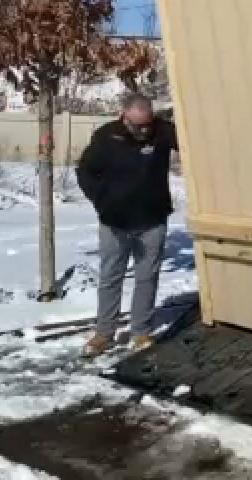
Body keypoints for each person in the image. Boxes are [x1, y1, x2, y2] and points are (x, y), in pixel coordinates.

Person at [76, 92, 178, 357]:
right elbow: (85, 171)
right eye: (137, 126)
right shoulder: (106, 136)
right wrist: (101, 201)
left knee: (147, 277)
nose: (143, 131)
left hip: (152, 218)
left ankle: (140, 331)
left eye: (147, 125)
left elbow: (194, 141)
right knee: (111, 276)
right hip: (115, 221)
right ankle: (104, 333)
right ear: (123, 116)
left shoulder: (163, 131)